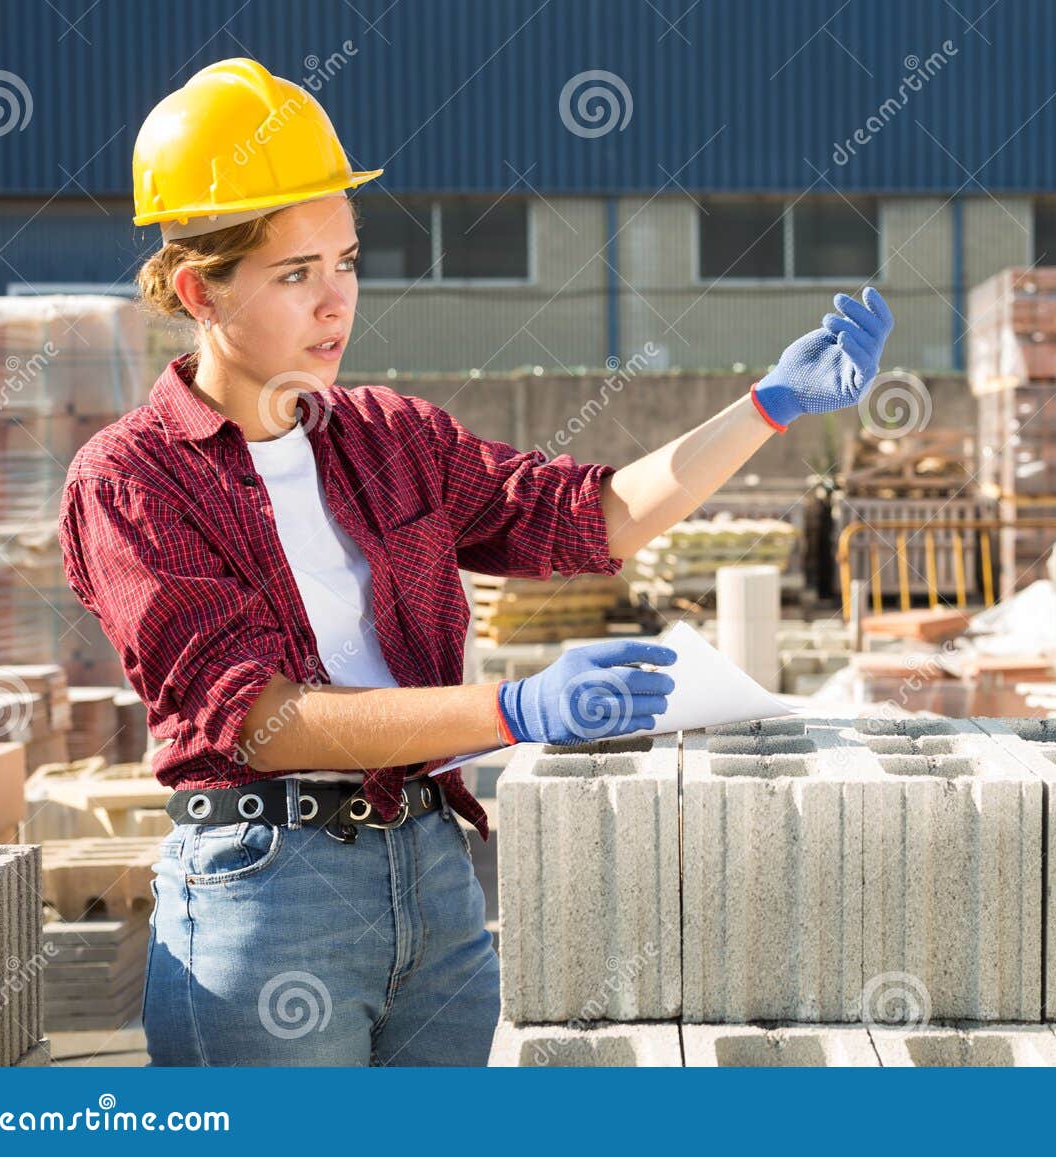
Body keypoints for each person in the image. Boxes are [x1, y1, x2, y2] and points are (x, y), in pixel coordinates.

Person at [58, 58, 894, 1066]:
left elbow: (589, 517)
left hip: (432, 864)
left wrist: (767, 405)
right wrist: (516, 708)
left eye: (348, 261)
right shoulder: (131, 480)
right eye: (297, 274)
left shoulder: (386, 435)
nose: (338, 303)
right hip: (270, 887)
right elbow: (261, 719)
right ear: (201, 289)